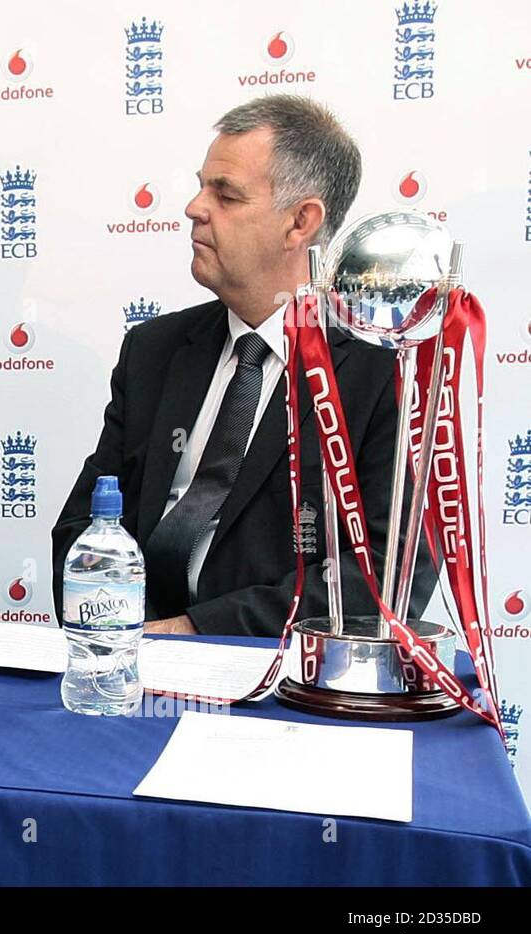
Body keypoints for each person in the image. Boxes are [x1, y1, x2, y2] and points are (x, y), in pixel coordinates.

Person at [52, 95, 436, 636]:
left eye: (226, 194)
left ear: (301, 222)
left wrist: (195, 631)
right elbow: (84, 524)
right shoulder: (155, 350)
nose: (194, 207)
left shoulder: (389, 369)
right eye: (201, 184)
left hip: (279, 687)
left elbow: (388, 577)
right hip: (128, 660)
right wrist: (117, 629)